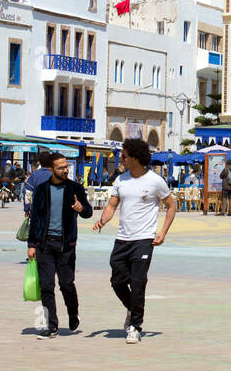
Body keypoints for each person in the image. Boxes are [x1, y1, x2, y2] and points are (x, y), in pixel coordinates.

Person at [93, 138, 176, 344]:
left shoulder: (155, 181)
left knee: (138, 283)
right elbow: (112, 205)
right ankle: (132, 308)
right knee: (117, 281)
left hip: (144, 239)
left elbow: (171, 206)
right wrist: (103, 220)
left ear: (136, 158)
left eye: (124, 156)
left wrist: (163, 232)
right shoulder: (121, 180)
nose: (121, 159)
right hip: (122, 239)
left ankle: (135, 326)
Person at [26, 153, 93, 339]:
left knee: (66, 284)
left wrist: (82, 209)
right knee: (47, 286)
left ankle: (73, 313)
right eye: (61, 168)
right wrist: (31, 244)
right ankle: (52, 326)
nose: (65, 170)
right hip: (44, 245)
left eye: (66, 167)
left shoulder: (75, 188)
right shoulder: (41, 189)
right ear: (51, 170)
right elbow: (36, 219)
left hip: (66, 246)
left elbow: (88, 212)